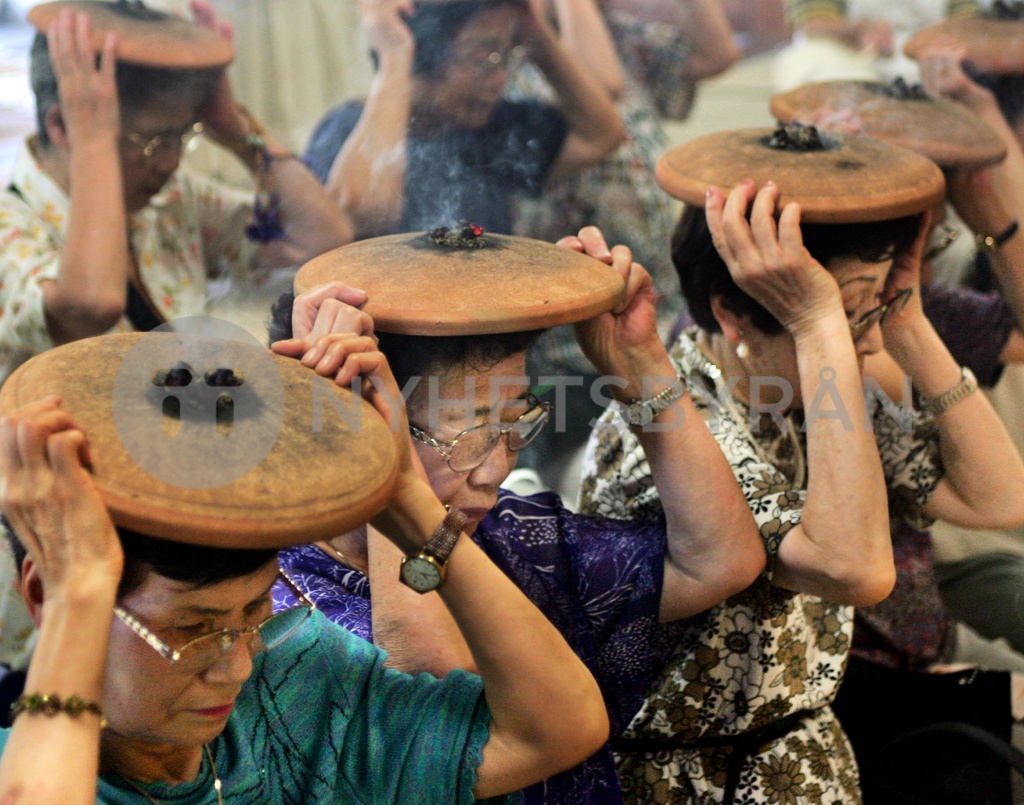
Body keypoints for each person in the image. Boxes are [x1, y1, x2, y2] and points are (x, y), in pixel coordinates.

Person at [266, 227, 766, 804]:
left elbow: (720, 560)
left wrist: (640, 364)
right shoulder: (277, 608)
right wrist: (383, 465)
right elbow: (451, 710)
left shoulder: (513, 537)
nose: (495, 469)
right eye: (471, 437)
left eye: (515, 424)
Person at [0, 333, 612, 801]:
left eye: (256, 611)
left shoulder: (294, 688)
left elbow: (559, 727)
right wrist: (74, 591)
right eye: (192, 629)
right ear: (50, 596)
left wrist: (406, 496)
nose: (236, 665)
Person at [578, 173, 1024, 802]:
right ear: (733, 311)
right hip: (694, 779)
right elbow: (854, 569)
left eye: (870, 310)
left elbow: (998, 499)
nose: (867, 341)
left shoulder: (797, 392)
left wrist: (910, 322)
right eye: (847, 314)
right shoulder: (674, 421)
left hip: (803, 754)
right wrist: (821, 327)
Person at [0, 0, 352, 386]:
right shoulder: (10, 223)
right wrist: (94, 138)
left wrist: (238, 130)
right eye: (151, 142)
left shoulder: (169, 201)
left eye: (181, 136)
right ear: (62, 127)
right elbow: (91, 305)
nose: (169, 162)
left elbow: (322, 238)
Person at [506, 0, 738, 495]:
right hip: (576, 339)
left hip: (658, 295)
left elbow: (716, 53)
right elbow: (602, 85)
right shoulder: (515, 57)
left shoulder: (617, 32)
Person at [303, 0, 626, 239]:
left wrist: (536, 34)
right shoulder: (347, 126)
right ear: (423, 52)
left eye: (504, 57)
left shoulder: (491, 128)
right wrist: (395, 53)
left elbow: (601, 136)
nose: (500, 78)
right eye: (482, 56)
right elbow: (365, 213)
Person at [773, 0, 980, 91]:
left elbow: (968, 22)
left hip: (929, 51)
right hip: (847, 51)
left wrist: (925, 44)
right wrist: (859, 30)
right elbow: (812, 21)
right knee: (813, 64)